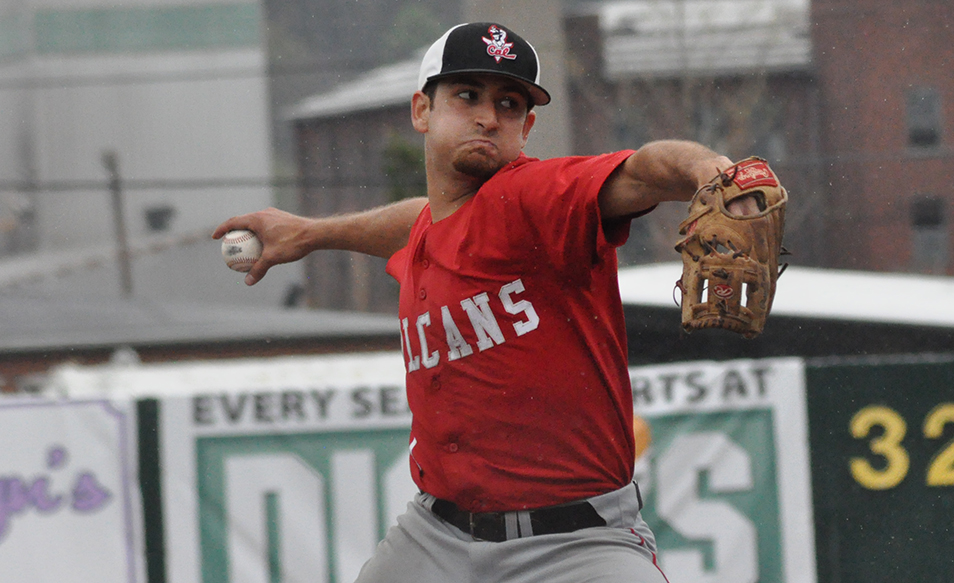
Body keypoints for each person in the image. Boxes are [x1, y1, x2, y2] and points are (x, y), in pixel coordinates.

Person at [215, 21, 750, 583]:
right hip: (434, 538)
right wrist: (310, 233)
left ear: (528, 127)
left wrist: (710, 173)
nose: (488, 116)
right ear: (422, 110)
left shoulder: (535, 200)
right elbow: (412, 223)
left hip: (576, 545)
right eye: (467, 95)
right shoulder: (429, 230)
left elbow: (642, 171)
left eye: (509, 103)